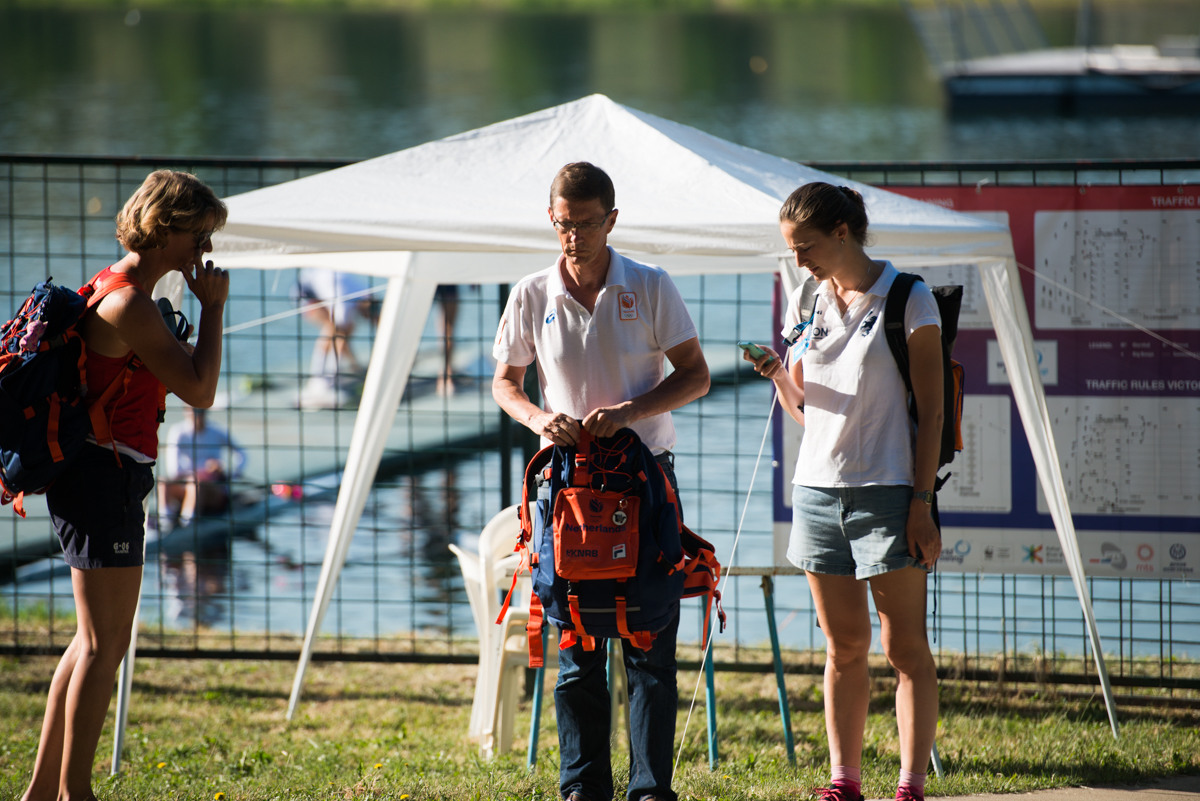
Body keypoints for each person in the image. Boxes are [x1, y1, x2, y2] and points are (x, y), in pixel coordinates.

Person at [492, 162, 710, 801]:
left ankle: (649, 792)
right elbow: (506, 382)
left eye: (585, 224)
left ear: (611, 220)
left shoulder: (650, 284)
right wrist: (539, 417)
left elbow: (695, 375)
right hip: (566, 485)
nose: (573, 237)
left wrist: (630, 414)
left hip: (644, 482)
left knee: (648, 644)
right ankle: (582, 788)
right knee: (578, 643)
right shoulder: (533, 291)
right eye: (562, 224)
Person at [21, 170, 229, 801]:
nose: (203, 251)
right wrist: (214, 308)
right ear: (166, 229)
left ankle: (41, 791)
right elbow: (201, 390)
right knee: (103, 646)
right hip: (101, 477)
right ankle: (74, 791)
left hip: (101, 474)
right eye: (198, 235)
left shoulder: (115, 285)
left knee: (88, 643)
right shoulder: (130, 303)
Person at [743, 182, 941, 801]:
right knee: (844, 645)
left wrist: (922, 503)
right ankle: (844, 782)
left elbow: (933, 413)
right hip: (817, 492)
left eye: (804, 246)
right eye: (791, 249)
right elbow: (809, 413)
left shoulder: (909, 296)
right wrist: (778, 373)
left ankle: (910, 785)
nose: (797, 260)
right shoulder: (808, 298)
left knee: (903, 646)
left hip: (889, 490)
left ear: (842, 233)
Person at [294, 268, 378, 408]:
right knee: (332, 329)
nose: (365, 319)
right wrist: (355, 365)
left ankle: (335, 374)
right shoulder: (344, 302)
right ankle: (320, 380)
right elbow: (340, 333)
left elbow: (377, 320)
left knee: (345, 330)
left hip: (324, 285)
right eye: (366, 316)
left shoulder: (365, 293)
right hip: (306, 291)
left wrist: (355, 365)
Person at [156, 405, 247, 528]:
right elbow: (174, 471)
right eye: (193, 411)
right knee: (163, 482)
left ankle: (188, 523)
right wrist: (201, 471)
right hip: (190, 484)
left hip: (213, 489)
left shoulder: (217, 431)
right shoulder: (178, 432)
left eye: (200, 410)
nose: (197, 414)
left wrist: (230, 473)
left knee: (195, 484)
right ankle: (165, 522)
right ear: (186, 412)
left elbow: (242, 454)